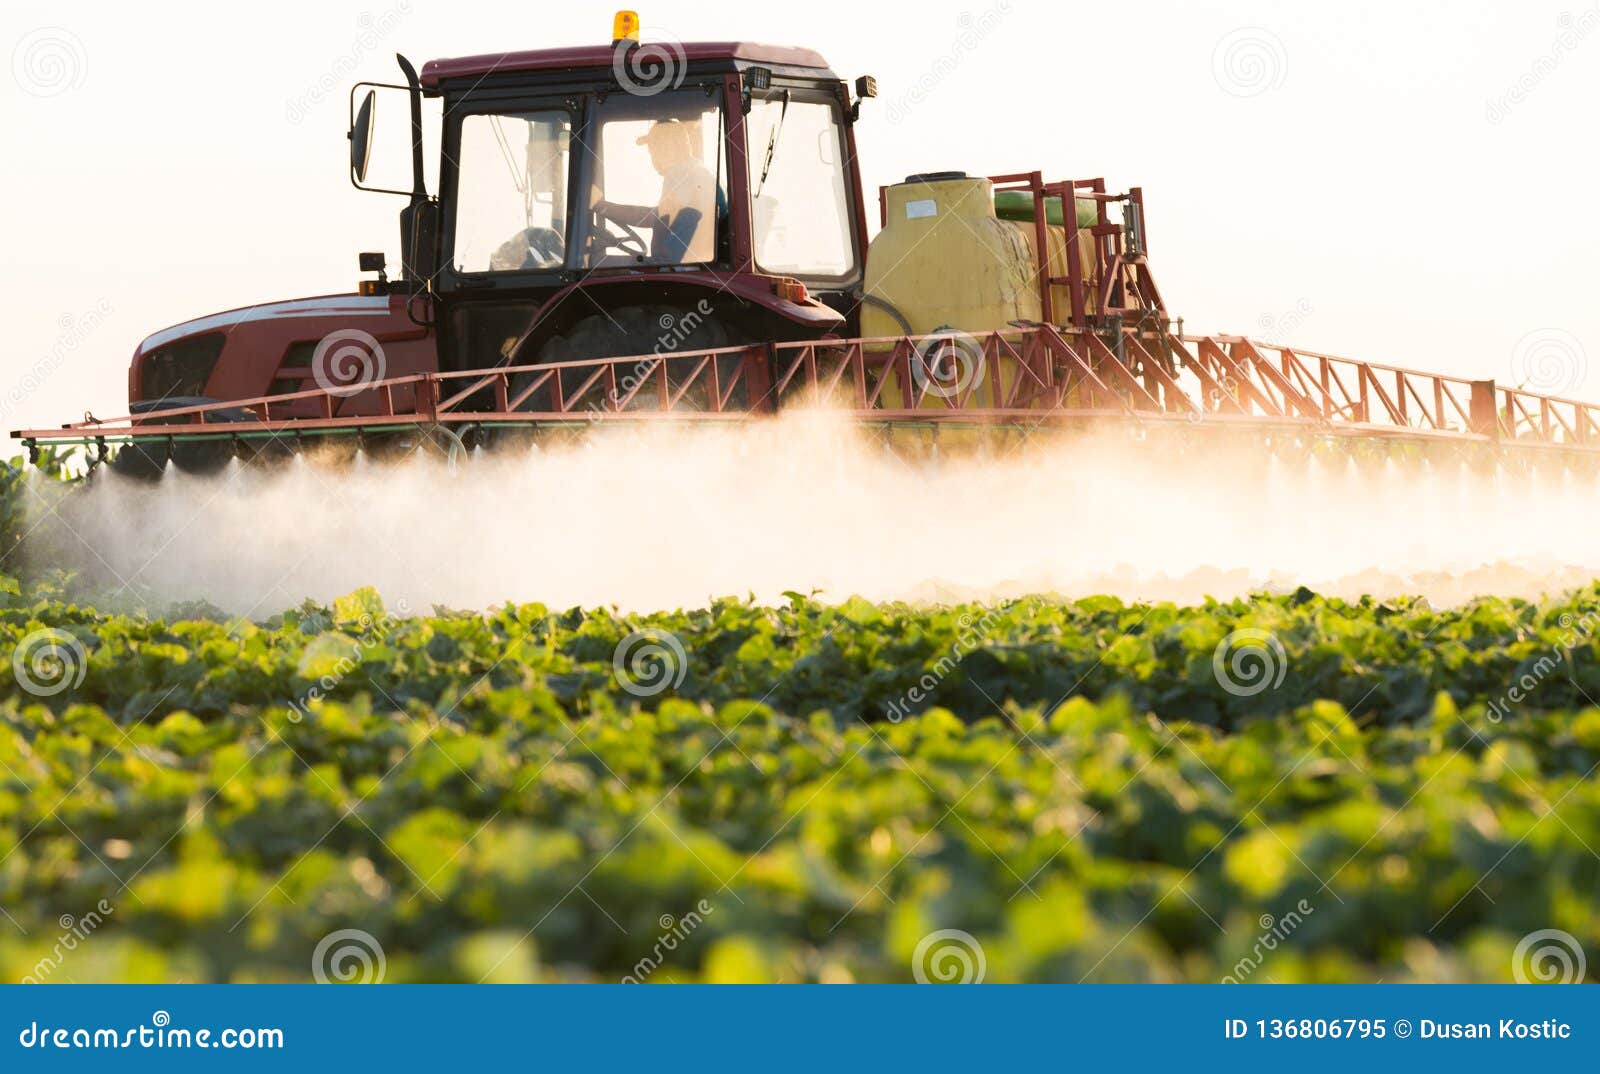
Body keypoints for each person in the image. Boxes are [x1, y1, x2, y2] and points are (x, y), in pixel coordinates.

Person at [596, 118, 716, 264]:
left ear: (674, 147)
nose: (653, 156)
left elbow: (654, 217)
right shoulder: (698, 170)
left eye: (656, 149)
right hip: (693, 262)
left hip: (684, 266)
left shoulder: (682, 173)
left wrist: (601, 207)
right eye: (652, 150)